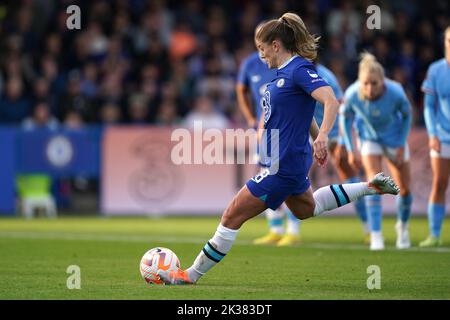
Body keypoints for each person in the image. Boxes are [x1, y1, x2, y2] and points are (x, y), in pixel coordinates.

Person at [158, 13, 399, 285]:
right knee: (307, 208)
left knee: (231, 215)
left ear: (275, 45)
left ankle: (189, 276)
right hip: (284, 160)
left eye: (262, 50)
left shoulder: (299, 69)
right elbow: (305, 113)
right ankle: (371, 187)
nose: (261, 57)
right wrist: (316, 135)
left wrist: (323, 137)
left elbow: (330, 100)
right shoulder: (283, 74)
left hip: (281, 164)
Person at [237, 24, 368, 247]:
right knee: (290, 184)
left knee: (339, 172)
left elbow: (337, 104)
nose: (262, 53)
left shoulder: (313, 73)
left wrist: (334, 137)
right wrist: (260, 126)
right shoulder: (278, 70)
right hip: (298, 132)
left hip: (326, 133)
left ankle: (368, 226)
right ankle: (280, 229)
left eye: (263, 46)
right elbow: (277, 106)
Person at [340, 53, 413, 251]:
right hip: (369, 139)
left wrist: (400, 143)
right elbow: (345, 119)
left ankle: (403, 228)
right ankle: (376, 236)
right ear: (359, 81)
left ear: (383, 81)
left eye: (374, 83)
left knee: (404, 189)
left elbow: (407, 116)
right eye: (366, 83)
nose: (369, 88)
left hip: (394, 138)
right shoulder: (353, 93)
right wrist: (350, 147)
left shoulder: (396, 92)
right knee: (375, 183)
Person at [419, 26, 450, 247]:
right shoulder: (436, 70)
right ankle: (434, 234)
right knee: (439, 183)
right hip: (442, 135)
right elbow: (429, 107)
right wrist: (432, 134)